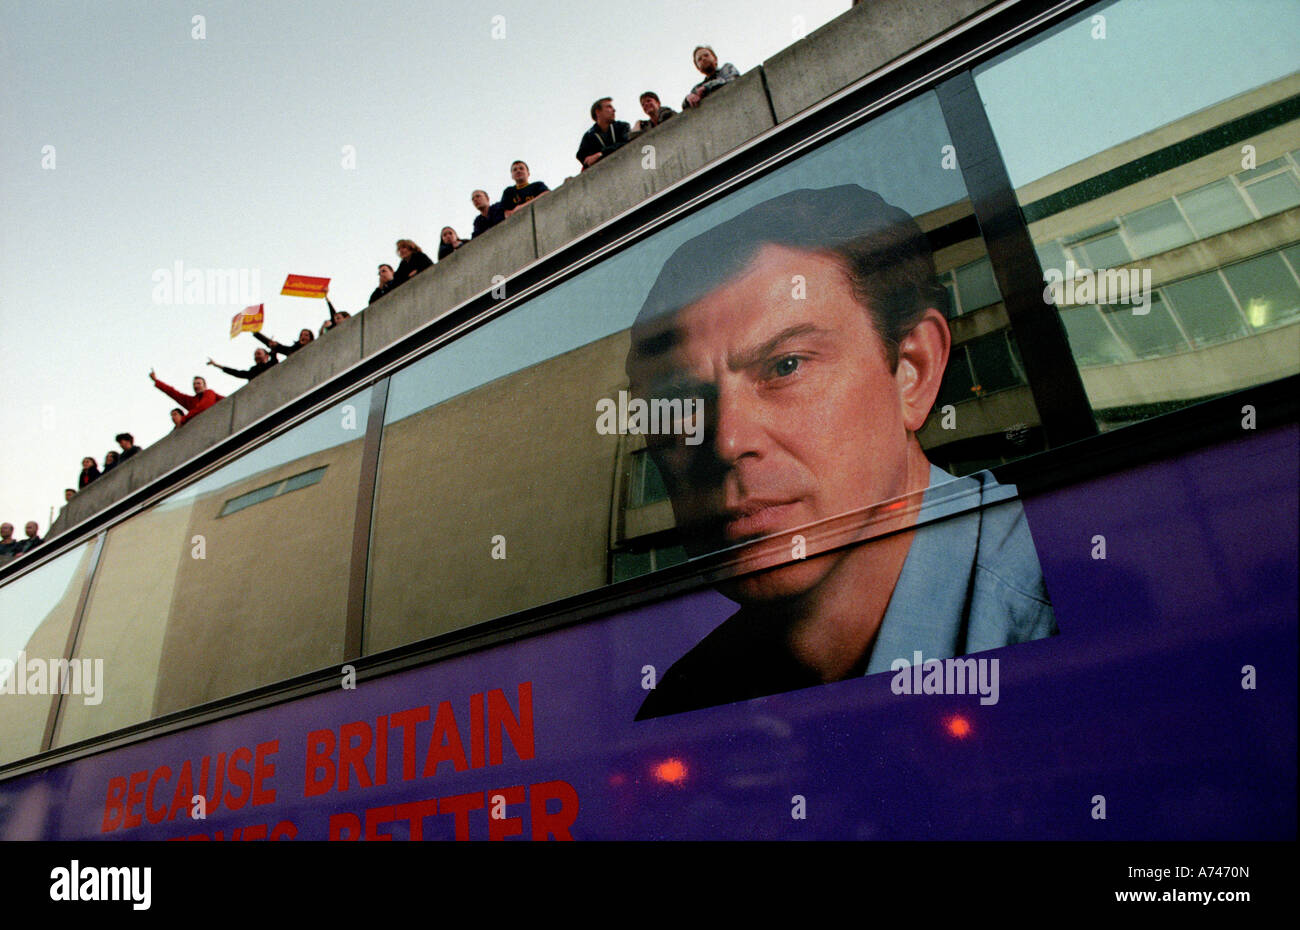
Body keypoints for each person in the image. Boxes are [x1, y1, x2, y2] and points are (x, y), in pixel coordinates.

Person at [627, 185, 1057, 720]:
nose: (728, 443)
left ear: (913, 372)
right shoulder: (681, 707)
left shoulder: (1070, 606)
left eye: (786, 366)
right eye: (680, 403)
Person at [576, 97, 631, 169]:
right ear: (598, 112)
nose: (614, 110)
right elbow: (582, 156)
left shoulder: (623, 126)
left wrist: (601, 154)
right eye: (609, 107)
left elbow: (626, 143)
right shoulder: (589, 135)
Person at [151, 371, 224, 425]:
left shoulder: (210, 392)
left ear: (205, 386)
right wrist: (156, 380)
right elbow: (174, 393)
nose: (196, 386)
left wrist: (183, 419)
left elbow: (203, 407)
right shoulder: (191, 401)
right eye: (194, 384)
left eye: (198, 383)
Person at [207, 346, 278, 381]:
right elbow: (236, 373)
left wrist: (273, 349)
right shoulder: (253, 370)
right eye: (255, 354)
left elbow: (274, 358)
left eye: (259, 354)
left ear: (267, 356)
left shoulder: (272, 364)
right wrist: (217, 365)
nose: (256, 356)